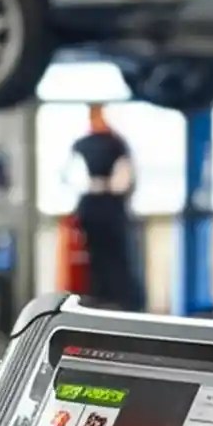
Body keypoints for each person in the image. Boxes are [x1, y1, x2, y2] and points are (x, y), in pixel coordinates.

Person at [67, 104, 146, 311]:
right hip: (109, 207)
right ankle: (113, 299)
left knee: (103, 258)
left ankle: (104, 298)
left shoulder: (85, 144)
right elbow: (127, 180)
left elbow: (69, 177)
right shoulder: (116, 143)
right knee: (109, 257)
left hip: (95, 206)